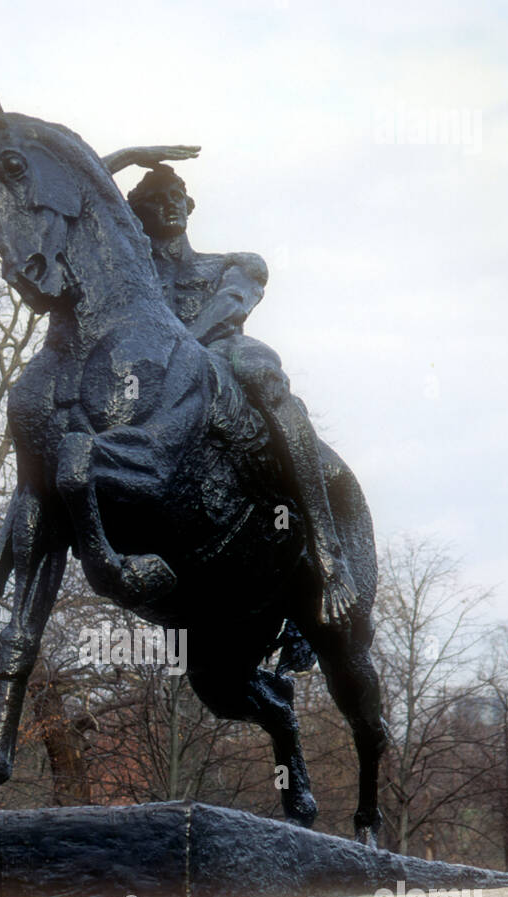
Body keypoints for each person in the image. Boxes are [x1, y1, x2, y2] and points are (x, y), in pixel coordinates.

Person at [114, 156, 357, 628]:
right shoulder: (135, 281)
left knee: (262, 370)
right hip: (161, 379)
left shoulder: (234, 264)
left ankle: (328, 552)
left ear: (189, 204)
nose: (169, 207)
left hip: (223, 355)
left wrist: (184, 347)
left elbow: (230, 306)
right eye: (155, 202)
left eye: (175, 198)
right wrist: (128, 155)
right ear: (136, 215)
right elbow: (84, 190)